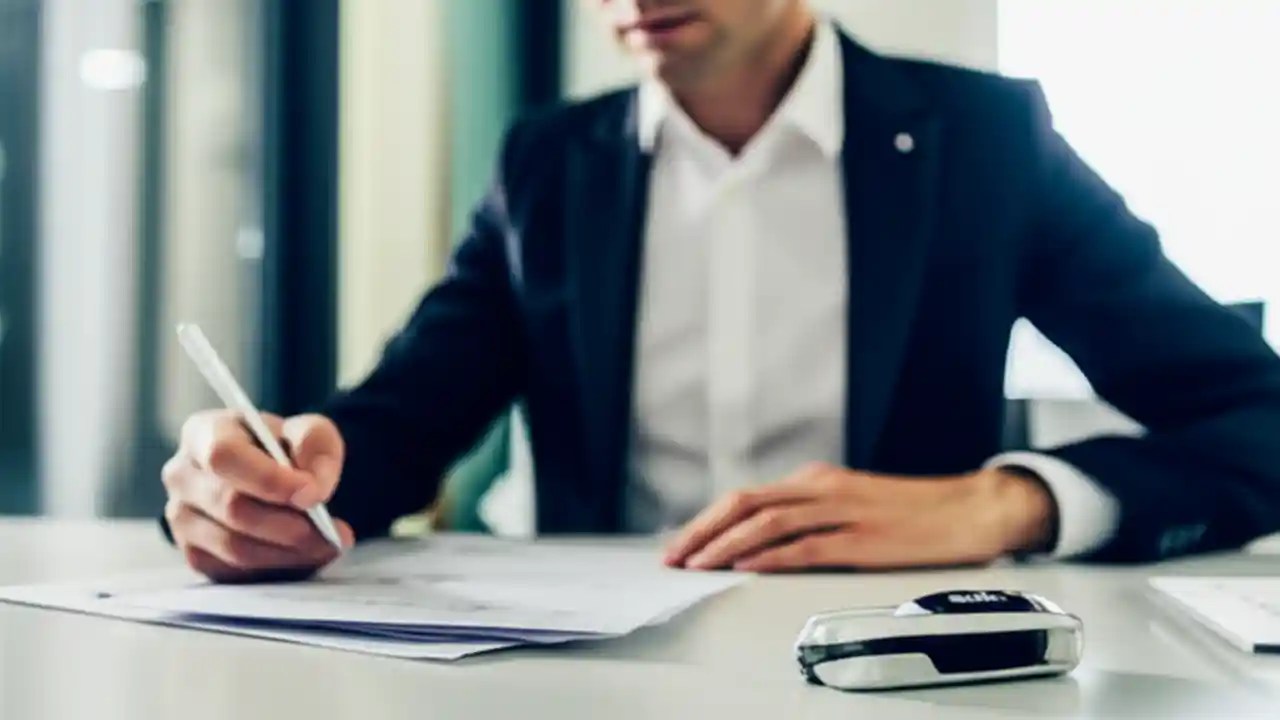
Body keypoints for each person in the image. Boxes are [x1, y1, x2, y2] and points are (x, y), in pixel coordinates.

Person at [161, 0, 1280, 583]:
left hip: (896, 666)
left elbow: (1257, 422)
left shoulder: (983, 143)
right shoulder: (549, 165)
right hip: (603, 679)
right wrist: (280, 486)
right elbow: (402, 423)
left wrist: (1000, 505)